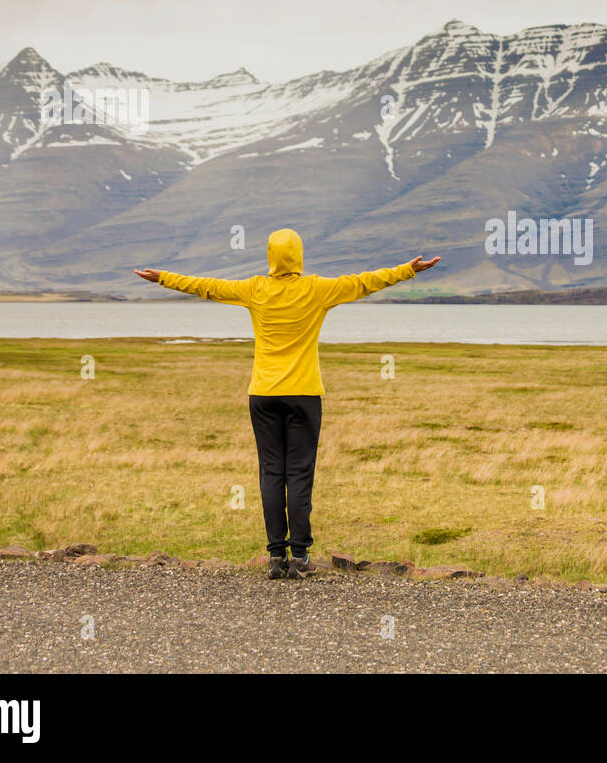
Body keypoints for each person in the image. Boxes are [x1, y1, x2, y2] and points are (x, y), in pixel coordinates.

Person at [134, 228, 440, 579]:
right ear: (299, 255)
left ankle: (276, 556)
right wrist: (409, 270)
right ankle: (301, 556)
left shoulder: (254, 289)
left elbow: (207, 286)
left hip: (263, 394)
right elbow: (365, 282)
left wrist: (163, 279)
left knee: (271, 472)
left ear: (270, 257)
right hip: (303, 394)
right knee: (299, 473)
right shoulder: (318, 289)